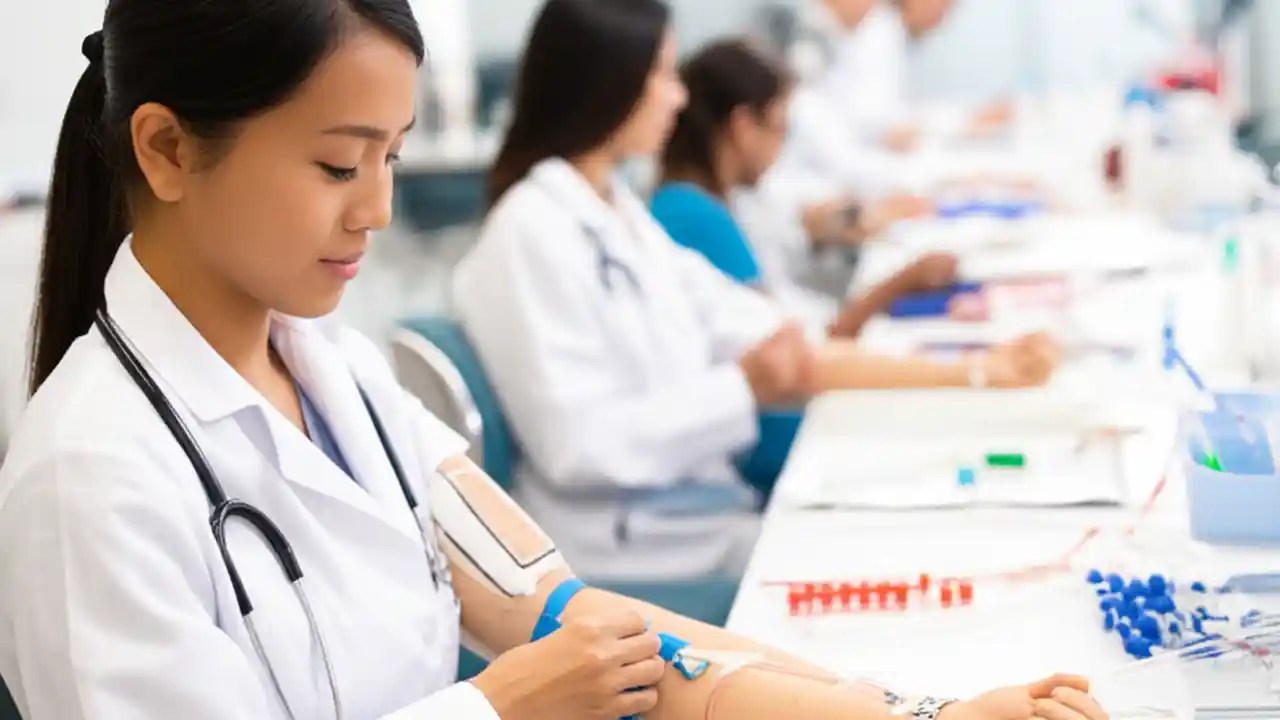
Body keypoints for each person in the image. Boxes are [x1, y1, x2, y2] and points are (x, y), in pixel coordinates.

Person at [0, 2, 1110, 719]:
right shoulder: (91, 477)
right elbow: (544, 664)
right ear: (166, 149)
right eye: (339, 165)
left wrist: (915, 711)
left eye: (390, 159)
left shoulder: (346, 382)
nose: (376, 209)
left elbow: (571, 618)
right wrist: (496, 707)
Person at [453, 0, 1060, 582]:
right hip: (634, 554)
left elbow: (772, 334)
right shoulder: (529, 232)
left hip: (699, 518)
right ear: (607, 81)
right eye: (663, 74)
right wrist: (742, 387)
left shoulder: (620, 215)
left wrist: (978, 368)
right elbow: (580, 447)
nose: (678, 97)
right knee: (898, 559)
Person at [654, 38, 958, 339]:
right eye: (780, 129)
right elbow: (783, 351)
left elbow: (799, 221)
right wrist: (897, 286)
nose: (780, 148)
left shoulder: (712, 200)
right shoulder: (699, 220)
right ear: (743, 128)